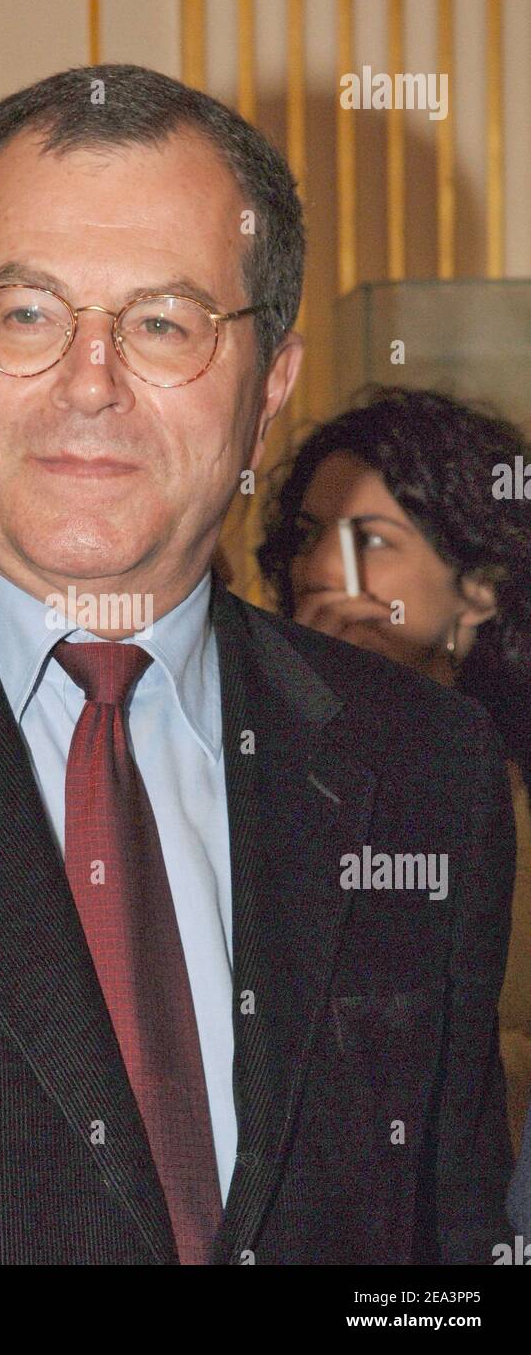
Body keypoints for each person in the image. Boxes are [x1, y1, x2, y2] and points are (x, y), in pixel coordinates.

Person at [0, 64, 515, 1266]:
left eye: (163, 323)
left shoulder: (423, 766)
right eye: (27, 311)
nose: (89, 381)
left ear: (269, 381)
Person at [256, 385, 531, 1167]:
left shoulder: (501, 789)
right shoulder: (254, 753)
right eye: (307, 536)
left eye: (368, 540)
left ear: (475, 592)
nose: (319, 568)